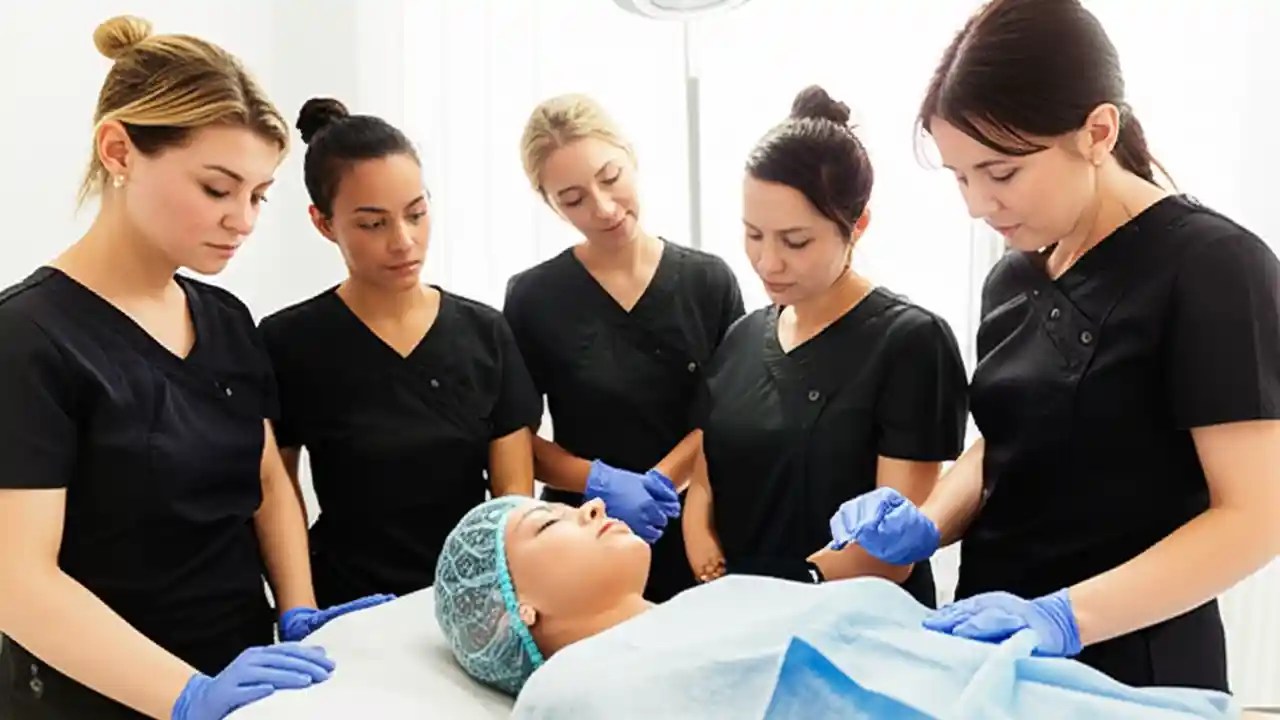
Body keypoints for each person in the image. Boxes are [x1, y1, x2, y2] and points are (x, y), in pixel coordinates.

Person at [827, 0, 1280, 693]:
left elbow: (1256, 517)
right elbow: (1011, 439)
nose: (978, 203)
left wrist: (1066, 616)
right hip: (996, 648)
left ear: (1098, 130)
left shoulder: (1215, 269)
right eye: (960, 176)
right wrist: (925, 524)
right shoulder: (1014, 273)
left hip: (1134, 668)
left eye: (1001, 173)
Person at [0, 17, 387, 720]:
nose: (242, 219)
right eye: (217, 188)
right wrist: (184, 696)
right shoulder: (26, 338)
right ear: (119, 150)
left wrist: (298, 613)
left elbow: (267, 478)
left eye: (259, 194)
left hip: (242, 679)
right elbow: (17, 581)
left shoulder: (226, 319)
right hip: (96, 697)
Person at [431, 496, 1241, 719]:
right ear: (514, 611)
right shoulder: (571, 692)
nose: (592, 510)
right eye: (552, 521)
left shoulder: (717, 599)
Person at [681, 86, 968, 606]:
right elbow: (706, 479)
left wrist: (785, 591)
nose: (768, 263)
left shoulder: (909, 343)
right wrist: (703, 552)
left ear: (857, 226)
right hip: (735, 615)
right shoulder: (743, 337)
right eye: (753, 235)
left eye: (795, 242)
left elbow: (893, 551)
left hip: (858, 626)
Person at [258, 98, 541, 607]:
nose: (403, 241)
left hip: (470, 602)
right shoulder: (288, 342)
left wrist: (504, 604)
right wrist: (296, 605)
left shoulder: (484, 333)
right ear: (324, 224)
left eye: (416, 214)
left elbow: (512, 502)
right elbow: (276, 494)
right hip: (348, 606)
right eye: (372, 224)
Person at [503, 94, 745, 602]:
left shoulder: (708, 281)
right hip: (583, 539)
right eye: (573, 199)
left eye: (610, 178)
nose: (604, 208)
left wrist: (662, 479)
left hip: (700, 531)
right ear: (549, 203)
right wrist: (598, 480)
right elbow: (514, 440)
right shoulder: (534, 297)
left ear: (630, 156)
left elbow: (734, 411)